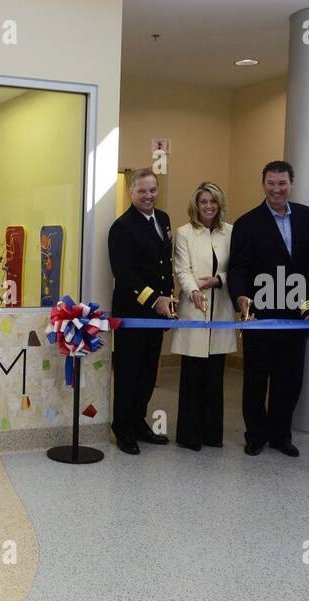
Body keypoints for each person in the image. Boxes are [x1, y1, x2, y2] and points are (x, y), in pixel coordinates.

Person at [227, 160, 309, 457]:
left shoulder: (305, 215)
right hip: (260, 314)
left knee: (289, 379)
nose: (277, 189)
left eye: (282, 183)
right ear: (263, 184)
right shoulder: (246, 223)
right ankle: (256, 436)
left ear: (291, 184)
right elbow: (238, 269)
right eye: (271, 183)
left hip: (295, 314)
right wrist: (240, 297)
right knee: (256, 379)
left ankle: (281, 435)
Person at [108, 168, 176, 455]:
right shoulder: (121, 227)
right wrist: (154, 301)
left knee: (148, 372)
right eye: (142, 191)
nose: (148, 196)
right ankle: (123, 429)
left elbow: (164, 265)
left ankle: (138, 422)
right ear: (131, 192)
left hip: (157, 312)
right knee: (129, 373)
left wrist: (169, 300)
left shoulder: (163, 219)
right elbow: (123, 274)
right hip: (132, 313)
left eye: (152, 190)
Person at [171, 182, 235, 450]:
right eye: (203, 202)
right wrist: (194, 291)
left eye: (213, 201)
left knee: (215, 376)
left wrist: (219, 280)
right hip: (194, 308)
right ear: (196, 206)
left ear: (219, 204)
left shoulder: (230, 231)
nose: (208, 206)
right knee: (193, 375)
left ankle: (212, 435)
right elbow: (182, 269)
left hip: (221, 309)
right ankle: (190, 436)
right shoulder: (184, 233)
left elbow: (238, 267)